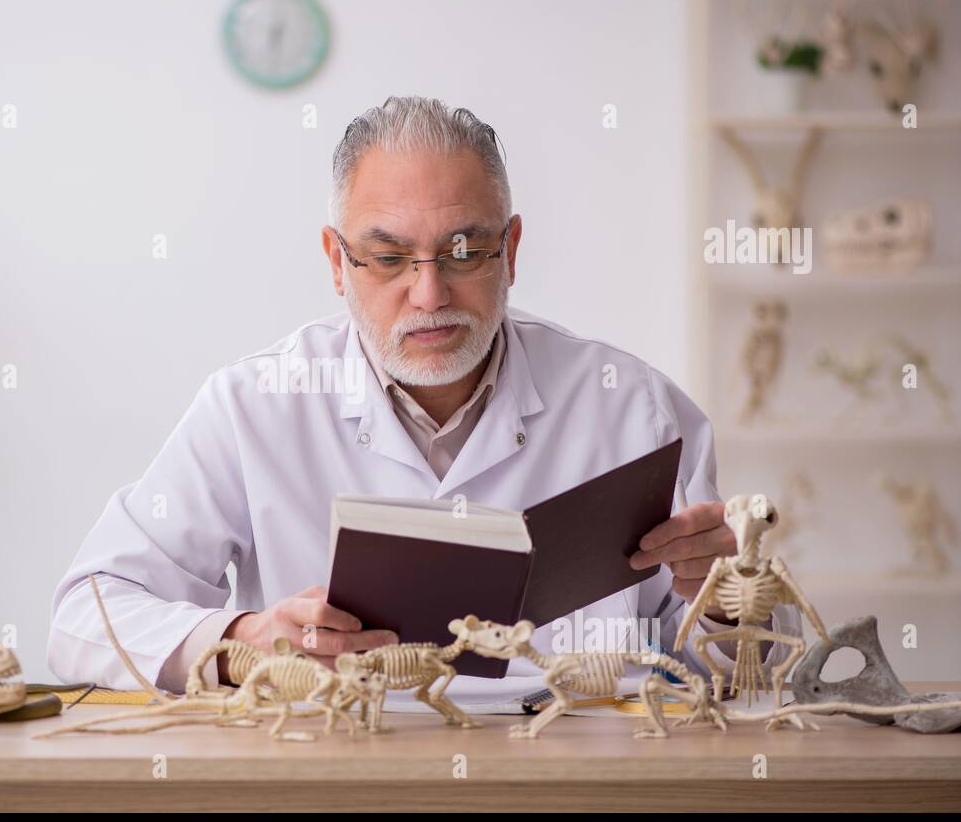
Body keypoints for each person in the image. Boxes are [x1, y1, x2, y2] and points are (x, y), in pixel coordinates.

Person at [48, 96, 798, 694]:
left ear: (511, 250)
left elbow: (750, 672)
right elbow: (85, 616)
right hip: (326, 776)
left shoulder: (635, 408)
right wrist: (240, 639)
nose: (429, 292)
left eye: (464, 251)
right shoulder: (254, 403)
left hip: (575, 779)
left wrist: (736, 598)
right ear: (336, 264)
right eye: (388, 257)